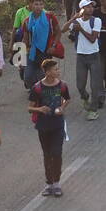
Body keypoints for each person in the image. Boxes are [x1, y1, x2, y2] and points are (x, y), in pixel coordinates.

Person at [28, 57, 71, 197]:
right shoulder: (37, 88)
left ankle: (57, 183)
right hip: (43, 125)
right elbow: (30, 107)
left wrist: (62, 107)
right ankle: (49, 183)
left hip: (58, 124)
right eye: (55, 69)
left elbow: (67, 99)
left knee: (57, 153)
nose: (58, 71)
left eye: (58, 69)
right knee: (47, 154)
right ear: (47, 72)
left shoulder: (62, 85)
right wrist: (40, 109)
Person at [19, 0, 64, 90]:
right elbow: (25, 39)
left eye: (40, 4)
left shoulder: (50, 18)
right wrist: (21, 58)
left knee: (44, 75)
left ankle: (48, 94)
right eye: (36, 4)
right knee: (28, 77)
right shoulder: (27, 21)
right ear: (31, 5)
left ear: (43, 5)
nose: (38, 7)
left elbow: (58, 32)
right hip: (31, 52)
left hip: (46, 52)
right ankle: (36, 91)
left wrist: (54, 46)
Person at [71, 0, 104, 119]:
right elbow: (63, 29)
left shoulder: (96, 21)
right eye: (88, 7)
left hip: (94, 56)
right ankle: (85, 97)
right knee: (80, 85)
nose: (91, 9)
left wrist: (81, 30)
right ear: (82, 9)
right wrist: (72, 19)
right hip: (81, 56)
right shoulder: (77, 21)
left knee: (95, 85)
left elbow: (92, 39)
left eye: (92, 6)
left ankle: (93, 110)